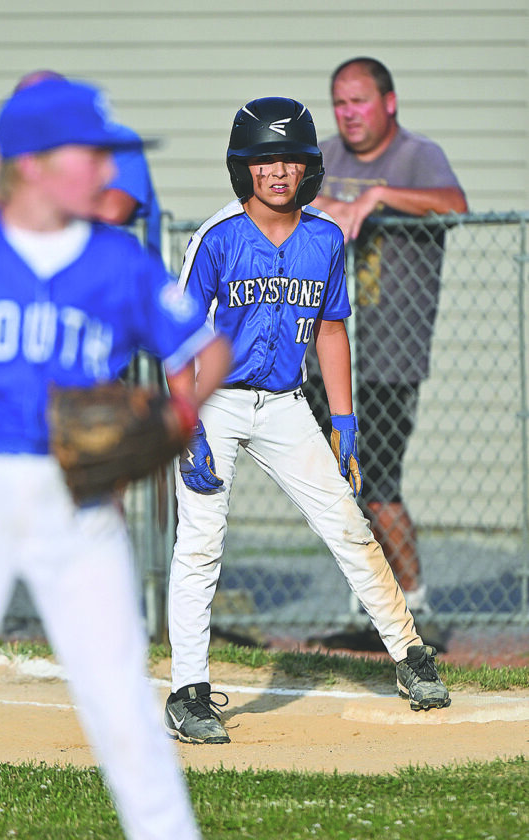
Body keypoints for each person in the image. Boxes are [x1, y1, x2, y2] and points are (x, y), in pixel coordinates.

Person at [0, 77, 231, 840]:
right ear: (32, 163)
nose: (109, 170)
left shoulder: (120, 261)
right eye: (92, 154)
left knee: (123, 708)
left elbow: (209, 349)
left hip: (78, 502)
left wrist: (177, 417)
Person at [164, 95, 451, 746]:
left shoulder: (323, 237)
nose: (277, 172)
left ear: (309, 167)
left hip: (286, 404)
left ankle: (409, 655)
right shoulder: (217, 237)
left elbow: (330, 328)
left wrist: (343, 422)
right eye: (263, 160)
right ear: (242, 167)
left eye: (290, 160)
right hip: (213, 402)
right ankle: (187, 692)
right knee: (200, 541)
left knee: (349, 525)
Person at [307, 57, 468, 620]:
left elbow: (455, 205)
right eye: (340, 102)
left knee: (378, 482)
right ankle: (376, 598)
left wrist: (377, 198)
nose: (349, 113)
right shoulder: (323, 158)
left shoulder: (417, 156)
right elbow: (278, 201)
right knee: (338, 485)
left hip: (388, 355)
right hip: (324, 352)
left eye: (360, 101)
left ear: (389, 103)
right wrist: (319, 205)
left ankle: (413, 598)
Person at [0, 69, 162, 254]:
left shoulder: (116, 139)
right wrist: (9, 136)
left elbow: (111, 213)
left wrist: (40, 206)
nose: (109, 172)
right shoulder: (26, 148)